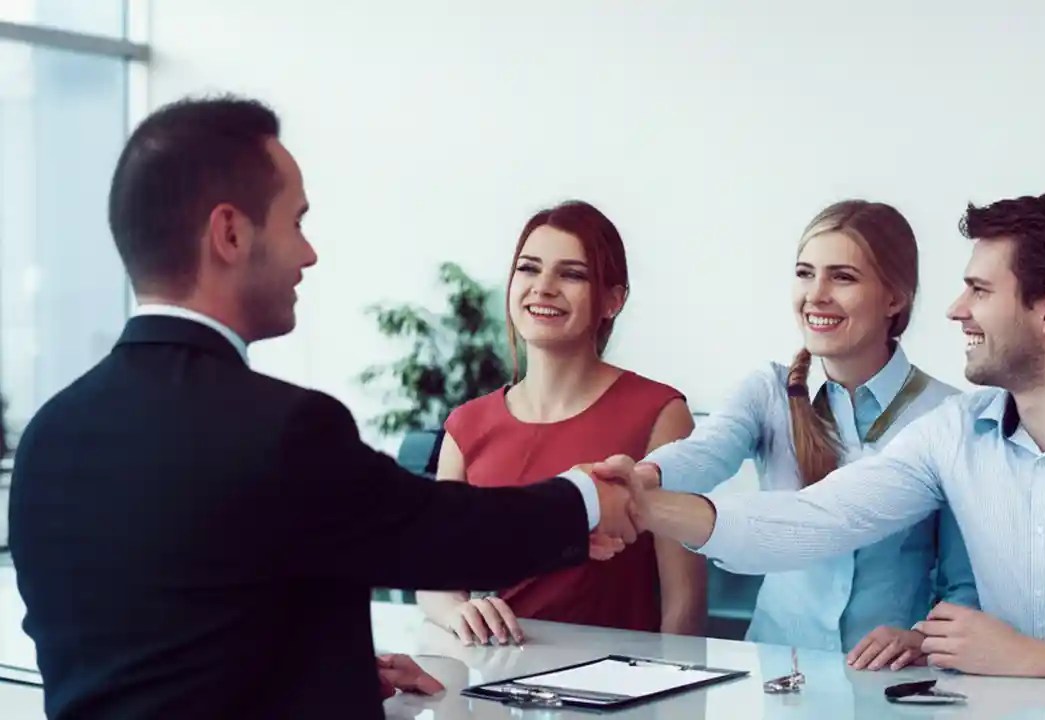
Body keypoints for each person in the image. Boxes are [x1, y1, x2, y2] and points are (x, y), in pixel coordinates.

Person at [8, 96, 640, 720]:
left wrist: (318, 670)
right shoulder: (282, 430)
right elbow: (440, 535)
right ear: (230, 233)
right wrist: (586, 496)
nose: (308, 254)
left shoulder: (49, 437)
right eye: (296, 223)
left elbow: (149, 642)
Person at [591, 191, 1045, 687]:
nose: (953, 310)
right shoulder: (955, 434)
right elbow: (815, 518)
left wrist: (1036, 657)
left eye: (978, 290)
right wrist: (647, 503)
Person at [635, 200, 975, 668]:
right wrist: (643, 476)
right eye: (804, 273)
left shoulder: (950, 415)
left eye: (843, 277)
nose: (816, 295)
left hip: (890, 686)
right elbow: (706, 453)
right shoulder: (768, 391)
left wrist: (920, 637)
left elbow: (965, 582)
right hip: (776, 675)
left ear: (895, 298)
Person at [417, 200, 706, 643]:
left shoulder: (661, 414)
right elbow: (436, 579)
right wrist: (458, 612)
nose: (543, 287)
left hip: (619, 694)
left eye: (572, 274)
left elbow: (684, 600)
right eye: (529, 269)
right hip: (492, 691)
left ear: (613, 298)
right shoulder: (466, 425)